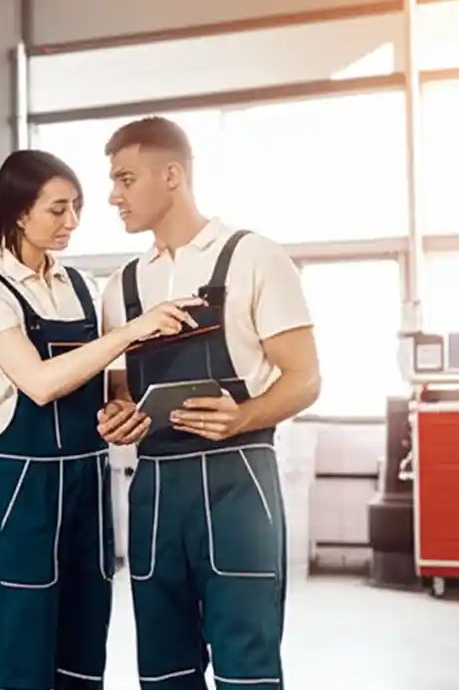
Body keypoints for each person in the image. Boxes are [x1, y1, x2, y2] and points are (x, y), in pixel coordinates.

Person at [0, 149, 202, 690]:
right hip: (25, 486)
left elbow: (111, 385)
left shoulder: (82, 288)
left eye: (77, 208)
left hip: (90, 481)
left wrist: (123, 406)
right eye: (57, 210)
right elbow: (40, 383)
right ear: (20, 213)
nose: (71, 222)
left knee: (86, 631)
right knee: (24, 635)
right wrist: (133, 330)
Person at [94, 117, 321, 690]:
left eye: (125, 178)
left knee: (248, 669)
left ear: (172, 175)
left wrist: (244, 416)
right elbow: (120, 392)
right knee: (164, 671)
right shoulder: (120, 287)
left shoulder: (253, 257)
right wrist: (117, 417)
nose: (112, 195)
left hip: (238, 484)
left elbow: (305, 378)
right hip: (155, 491)